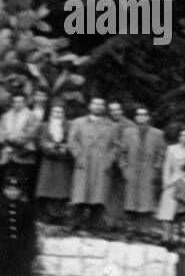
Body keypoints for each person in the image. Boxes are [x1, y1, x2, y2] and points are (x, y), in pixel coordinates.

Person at [67, 97, 116, 231]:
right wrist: (79, 155)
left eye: (101, 104)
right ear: (90, 106)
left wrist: (109, 160)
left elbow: (115, 146)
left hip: (101, 164)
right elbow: (72, 141)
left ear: (104, 107)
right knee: (80, 193)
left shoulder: (111, 125)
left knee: (98, 195)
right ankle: (75, 223)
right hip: (84, 161)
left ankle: (94, 224)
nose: (98, 106)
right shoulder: (78, 123)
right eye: (95, 103)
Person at [118, 105, 166, 236]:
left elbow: (161, 154)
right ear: (135, 117)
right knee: (131, 202)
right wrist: (124, 169)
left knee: (146, 202)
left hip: (148, 172)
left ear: (148, 117)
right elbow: (122, 153)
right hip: (132, 171)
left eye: (144, 114)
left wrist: (156, 169)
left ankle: (144, 230)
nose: (141, 117)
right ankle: (130, 229)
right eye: (139, 114)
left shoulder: (157, 133)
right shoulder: (128, 132)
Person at [0, 90, 40, 196]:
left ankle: (21, 204)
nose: (17, 104)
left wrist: (15, 140)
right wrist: (5, 138)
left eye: (20, 102)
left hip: (23, 153)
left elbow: (31, 133)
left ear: (24, 102)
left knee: (22, 181)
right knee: (7, 180)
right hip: (8, 153)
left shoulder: (31, 116)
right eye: (15, 102)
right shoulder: (6, 116)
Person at [35, 102, 74, 221]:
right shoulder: (44, 126)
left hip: (63, 162)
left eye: (60, 112)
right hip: (48, 161)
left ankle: (59, 215)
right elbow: (41, 142)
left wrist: (64, 149)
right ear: (51, 113)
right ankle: (48, 214)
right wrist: (51, 149)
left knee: (61, 189)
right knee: (48, 188)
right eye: (55, 112)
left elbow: (72, 141)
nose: (57, 114)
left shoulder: (69, 125)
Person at [103, 100, 131, 229]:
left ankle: (120, 221)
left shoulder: (129, 125)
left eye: (117, 110)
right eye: (112, 110)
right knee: (107, 191)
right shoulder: (105, 123)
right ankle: (108, 220)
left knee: (122, 192)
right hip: (108, 162)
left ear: (121, 111)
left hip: (124, 162)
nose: (115, 112)